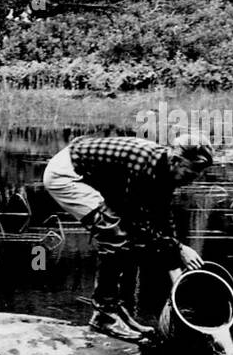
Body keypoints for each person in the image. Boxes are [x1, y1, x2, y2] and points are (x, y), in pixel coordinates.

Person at [43, 131, 213, 341]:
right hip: (67, 175)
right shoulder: (144, 165)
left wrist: (176, 269)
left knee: (131, 238)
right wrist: (179, 249)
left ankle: (117, 311)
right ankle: (104, 318)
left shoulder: (165, 169)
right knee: (114, 236)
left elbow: (162, 218)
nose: (190, 181)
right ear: (177, 160)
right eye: (189, 174)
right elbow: (137, 221)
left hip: (91, 176)